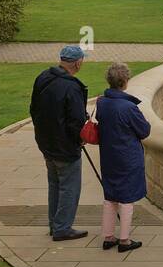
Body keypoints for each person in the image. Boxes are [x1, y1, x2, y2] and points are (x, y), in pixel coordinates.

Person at [29, 46, 90, 241]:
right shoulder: (72, 87)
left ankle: (55, 225)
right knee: (69, 187)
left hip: (46, 143)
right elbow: (76, 121)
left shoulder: (43, 77)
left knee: (55, 184)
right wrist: (80, 139)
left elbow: (33, 109)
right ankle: (62, 228)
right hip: (65, 147)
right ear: (78, 63)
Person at [95, 63, 151, 253]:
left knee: (110, 195)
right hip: (127, 157)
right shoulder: (128, 107)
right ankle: (125, 240)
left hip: (108, 155)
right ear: (125, 81)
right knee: (127, 197)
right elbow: (144, 131)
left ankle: (108, 237)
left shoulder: (102, 103)